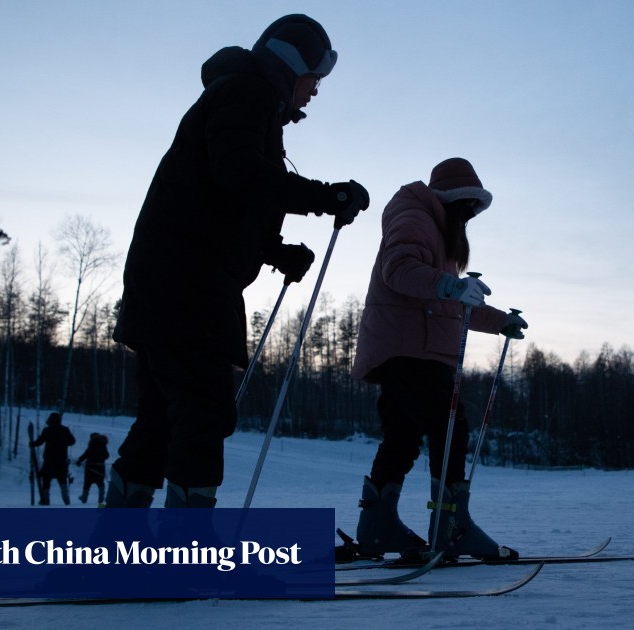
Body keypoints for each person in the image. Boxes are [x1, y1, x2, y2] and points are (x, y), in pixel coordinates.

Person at [107, 14, 370, 509]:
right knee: (202, 412)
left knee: (165, 415)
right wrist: (324, 196)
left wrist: (274, 251)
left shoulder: (251, 104)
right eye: (314, 78)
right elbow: (239, 174)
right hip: (186, 286)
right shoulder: (244, 94)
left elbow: (224, 201)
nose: (315, 92)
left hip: (171, 281)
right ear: (290, 67)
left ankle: (117, 548)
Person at [348, 157, 528, 560]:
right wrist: (449, 285)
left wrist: (500, 322)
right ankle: (450, 528)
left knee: (403, 437)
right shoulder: (414, 217)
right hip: (409, 348)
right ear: (449, 200)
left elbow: (453, 304)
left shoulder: (440, 233)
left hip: (411, 348)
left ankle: (378, 528)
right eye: (465, 210)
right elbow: (399, 270)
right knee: (450, 429)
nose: (467, 219)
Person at [31, 412, 77, 506]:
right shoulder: (65, 430)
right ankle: (66, 500)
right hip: (61, 459)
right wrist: (64, 443)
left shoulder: (47, 430)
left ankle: (45, 500)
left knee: (46, 480)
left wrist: (32, 444)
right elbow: (72, 441)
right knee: (62, 480)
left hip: (49, 459)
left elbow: (40, 441)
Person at [76, 433, 110, 505]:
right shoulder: (103, 446)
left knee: (87, 483)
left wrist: (79, 461)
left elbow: (86, 454)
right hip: (100, 468)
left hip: (90, 468)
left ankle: (84, 498)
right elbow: (107, 456)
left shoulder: (92, 446)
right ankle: (101, 499)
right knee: (100, 484)